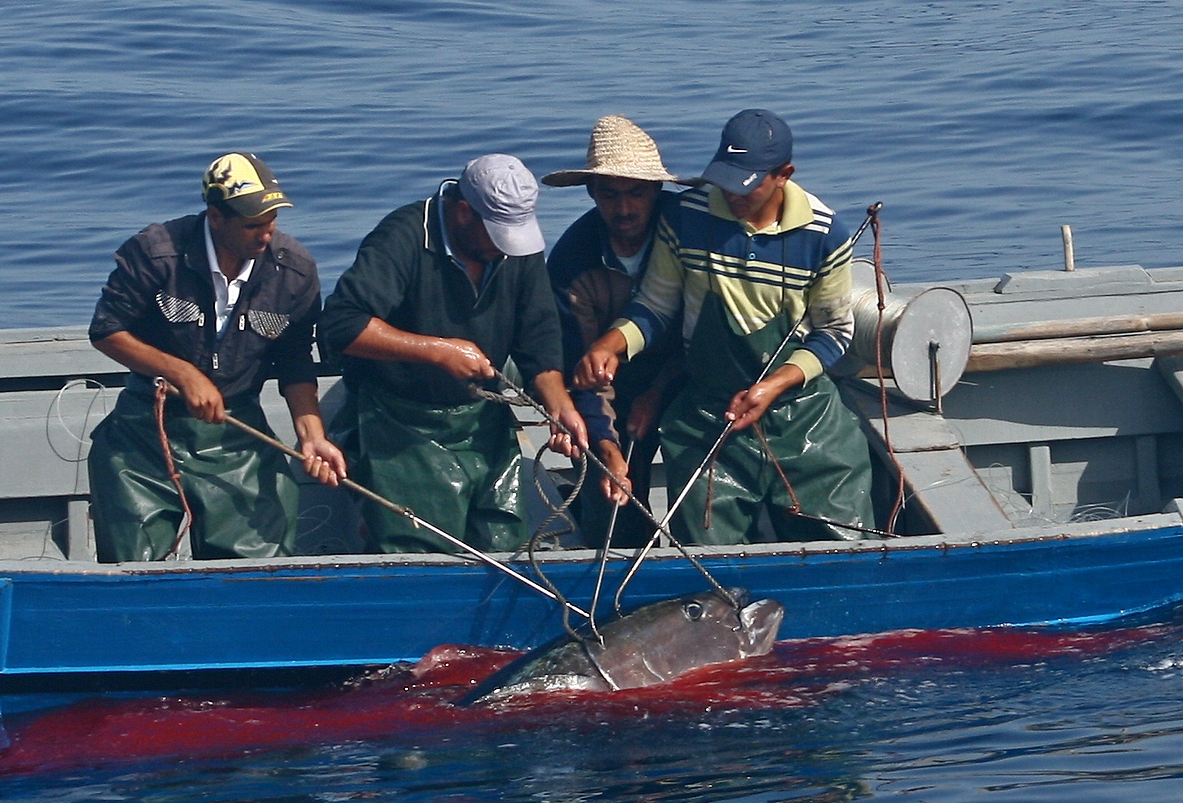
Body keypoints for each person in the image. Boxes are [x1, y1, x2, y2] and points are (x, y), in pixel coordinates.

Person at [575, 110, 875, 545]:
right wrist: (613, 343)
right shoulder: (687, 216)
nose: (732, 194)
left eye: (747, 185)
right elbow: (655, 307)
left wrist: (773, 386)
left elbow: (832, 334)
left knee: (836, 545)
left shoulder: (824, 234)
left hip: (802, 415)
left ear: (783, 175)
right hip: (709, 415)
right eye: (725, 179)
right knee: (706, 551)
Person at [319, 153, 589, 554]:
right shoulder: (404, 237)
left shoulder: (517, 251)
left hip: (482, 421)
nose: (505, 249)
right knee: (419, 547)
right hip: (401, 422)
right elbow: (340, 325)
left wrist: (559, 407)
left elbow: (539, 343)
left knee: (505, 541)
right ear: (464, 212)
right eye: (497, 235)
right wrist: (436, 351)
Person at [88, 152, 347, 563]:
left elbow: (295, 363)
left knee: (252, 570)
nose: (265, 235)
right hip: (144, 433)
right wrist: (183, 374)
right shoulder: (155, 253)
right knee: (134, 568)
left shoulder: (293, 270)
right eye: (252, 225)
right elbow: (106, 331)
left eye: (272, 222)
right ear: (215, 216)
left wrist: (312, 436)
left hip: (237, 432)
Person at [542, 115, 689, 548]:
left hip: (691, 379)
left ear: (658, 190)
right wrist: (607, 448)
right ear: (590, 192)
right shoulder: (572, 260)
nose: (624, 209)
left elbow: (709, 334)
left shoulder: (689, 231)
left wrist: (660, 392)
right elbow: (582, 369)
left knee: (702, 492)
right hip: (613, 392)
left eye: (636, 193)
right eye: (609, 194)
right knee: (613, 505)